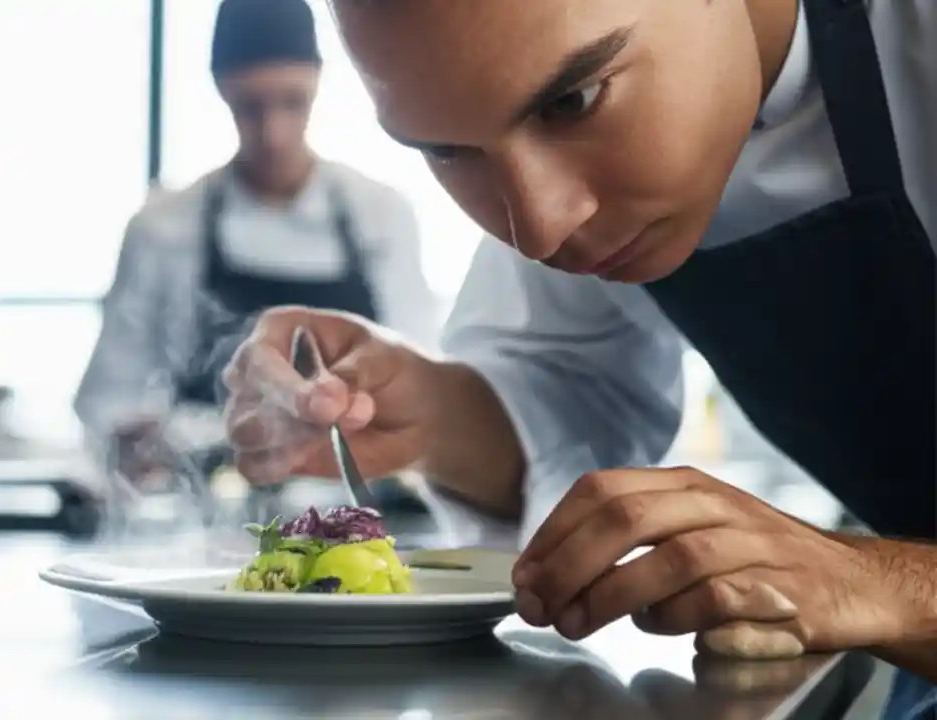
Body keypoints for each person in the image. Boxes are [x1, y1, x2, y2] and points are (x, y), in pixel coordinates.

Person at [221, 0, 936, 700]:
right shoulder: (555, 185)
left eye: (575, 100)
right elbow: (568, 399)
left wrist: (882, 586)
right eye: (444, 149)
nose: (538, 229)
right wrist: (431, 420)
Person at [74, 0, 437, 479]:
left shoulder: (382, 216)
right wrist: (138, 441)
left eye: (292, 102)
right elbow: (107, 401)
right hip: (213, 510)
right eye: (251, 107)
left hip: (357, 499)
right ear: (221, 91)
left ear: (318, 82)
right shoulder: (163, 229)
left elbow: (420, 383)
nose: (274, 133)